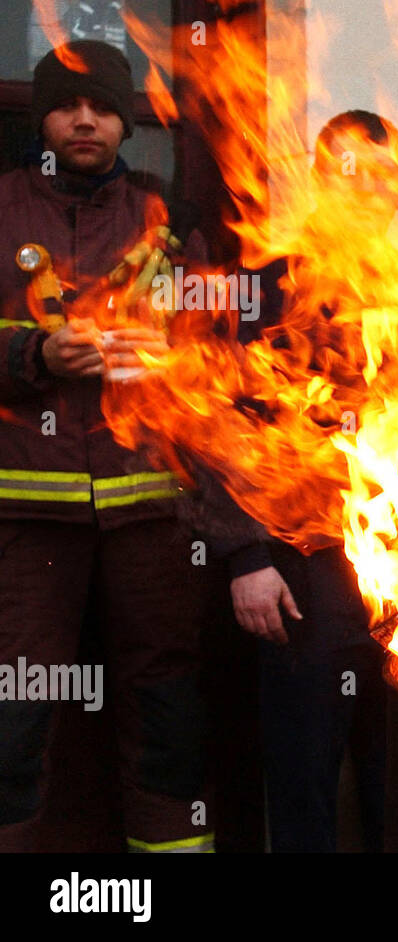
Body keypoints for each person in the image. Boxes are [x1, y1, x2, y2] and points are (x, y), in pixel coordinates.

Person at [0, 40, 213, 852]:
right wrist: (34, 355)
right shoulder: (2, 210)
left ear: (125, 120)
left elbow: (215, 353)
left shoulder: (168, 221)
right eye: (65, 105)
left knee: (167, 706)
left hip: (151, 509)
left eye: (101, 107)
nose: (83, 120)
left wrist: (172, 359)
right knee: (16, 713)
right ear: (42, 117)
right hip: (28, 515)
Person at [203, 110, 398, 852]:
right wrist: (246, 556)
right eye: (349, 171)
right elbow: (217, 423)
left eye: (383, 175)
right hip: (302, 564)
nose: (367, 189)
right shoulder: (263, 287)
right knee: (304, 776)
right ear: (322, 180)